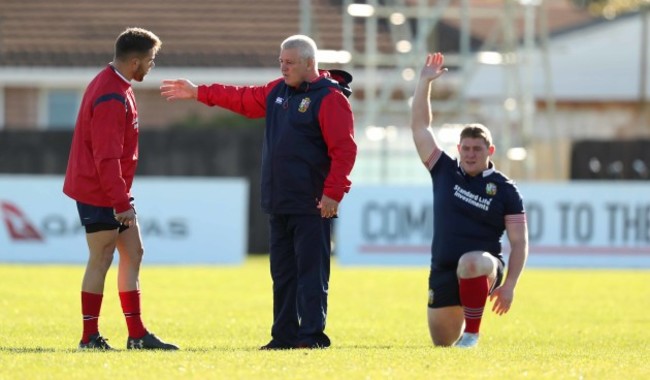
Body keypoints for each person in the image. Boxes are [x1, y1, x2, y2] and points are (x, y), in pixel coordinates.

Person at [160, 34, 357, 350]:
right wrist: (198, 93)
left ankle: (311, 338)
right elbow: (242, 98)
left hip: (313, 204)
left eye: (289, 63)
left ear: (310, 63)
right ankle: (283, 337)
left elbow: (344, 150)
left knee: (311, 274)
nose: (283, 68)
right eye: (281, 61)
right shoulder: (277, 91)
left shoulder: (330, 98)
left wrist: (333, 193)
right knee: (282, 274)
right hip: (279, 202)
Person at [63, 27, 178, 351]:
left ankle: (137, 335)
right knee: (101, 257)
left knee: (134, 252)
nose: (152, 66)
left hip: (112, 190)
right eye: (151, 61)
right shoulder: (112, 95)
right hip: (99, 191)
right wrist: (119, 202)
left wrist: (121, 197)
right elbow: (106, 157)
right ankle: (89, 338)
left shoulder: (116, 84)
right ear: (135, 61)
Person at [410, 52, 529, 348]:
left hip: (482, 266)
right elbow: (420, 128)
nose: (471, 154)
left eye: (478, 148)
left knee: (471, 262)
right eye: (466, 148)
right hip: (443, 268)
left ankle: (473, 333)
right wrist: (424, 82)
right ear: (458, 149)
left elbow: (520, 242)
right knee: (442, 343)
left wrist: (510, 285)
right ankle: (463, 318)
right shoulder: (444, 170)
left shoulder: (505, 189)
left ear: (490, 151)